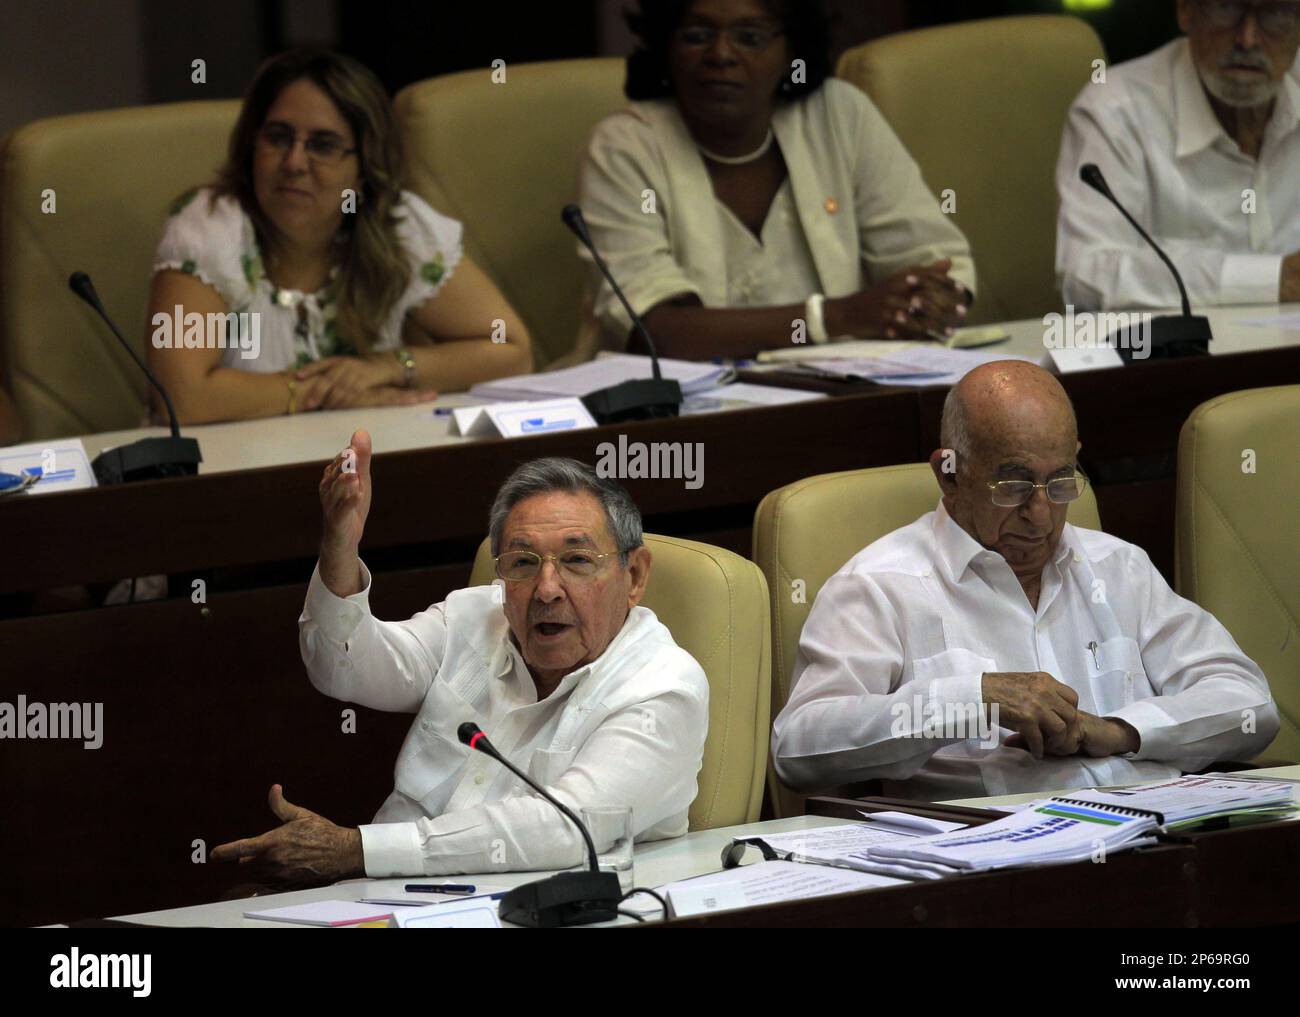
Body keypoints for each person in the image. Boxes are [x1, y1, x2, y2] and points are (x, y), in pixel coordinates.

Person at [772, 361, 1278, 801]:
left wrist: (1122, 730)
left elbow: (1249, 703)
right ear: (949, 474)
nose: (1041, 515)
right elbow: (799, 747)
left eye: (1060, 482)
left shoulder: (1118, 567)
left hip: (1153, 835)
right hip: (993, 871)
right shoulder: (880, 586)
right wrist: (971, 699)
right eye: (1013, 485)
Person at [212, 445, 708, 883]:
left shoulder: (663, 689)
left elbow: (565, 828)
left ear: (634, 574)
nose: (547, 589)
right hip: (384, 900)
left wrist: (356, 849)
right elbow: (343, 668)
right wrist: (339, 546)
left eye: (577, 561)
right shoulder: (477, 616)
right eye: (522, 562)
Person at [574, 0, 975, 361]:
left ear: (791, 51)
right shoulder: (623, 147)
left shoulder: (839, 115)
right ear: (666, 45)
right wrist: (839, 316)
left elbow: (934, 261)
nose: (721, 54)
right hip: (672, 417)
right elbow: (657, 331)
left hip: (842, 396)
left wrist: (927, 301)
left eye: (750, 37)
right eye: (696, 35)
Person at [146, 49, 531, 424]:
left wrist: (388, 368)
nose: (294, 163)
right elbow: (183, 397)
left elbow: (510, 350)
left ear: (365, 165)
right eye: (278, 137)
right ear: (252, 146)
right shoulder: (208, 226)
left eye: (323, 145)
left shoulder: (397, 227)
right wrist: (320, 393)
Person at [1056, 0, 1300, 310]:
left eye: (1276, 14)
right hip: (1184, 354)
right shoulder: (1115, 111)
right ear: (1186, 10)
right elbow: (1086, 277)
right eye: (1226, 8)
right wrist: (1272, 280)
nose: (1247, 39)